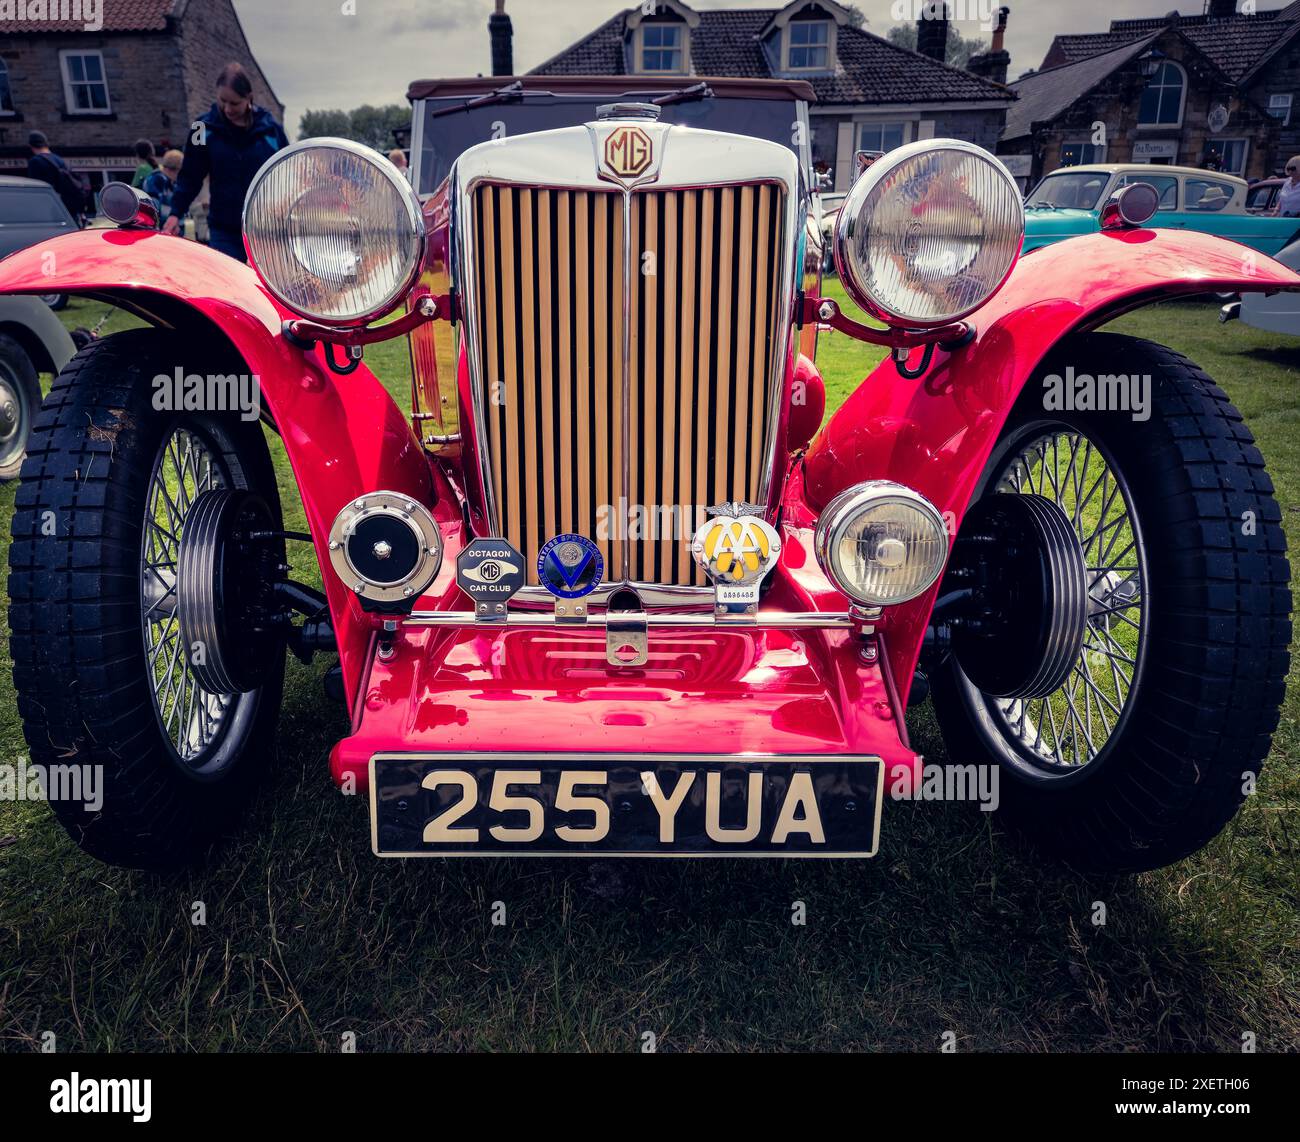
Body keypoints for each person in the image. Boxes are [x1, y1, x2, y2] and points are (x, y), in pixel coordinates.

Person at [164, 62, 289, 262]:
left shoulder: (272, 130)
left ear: (249, 97)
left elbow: (287, 173)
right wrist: (175, 212)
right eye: (223, 101)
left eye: (235, 103)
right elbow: (190, 176)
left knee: (264, 289)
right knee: (227, 284)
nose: (228, 108)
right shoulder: (201, 129)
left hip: (266, 229)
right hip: (224, 229)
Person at [25, 131, 87, 223]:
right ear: (46, 144)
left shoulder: (35, 162)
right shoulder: (59, 160)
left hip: (51, 212)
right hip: (69, 211)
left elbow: (36, 191)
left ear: (31, 146)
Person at [143, 149, 185, 226]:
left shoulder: (169, 181)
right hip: (162, 230)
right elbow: (154, 209)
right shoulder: (157, 180)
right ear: (174, 169)